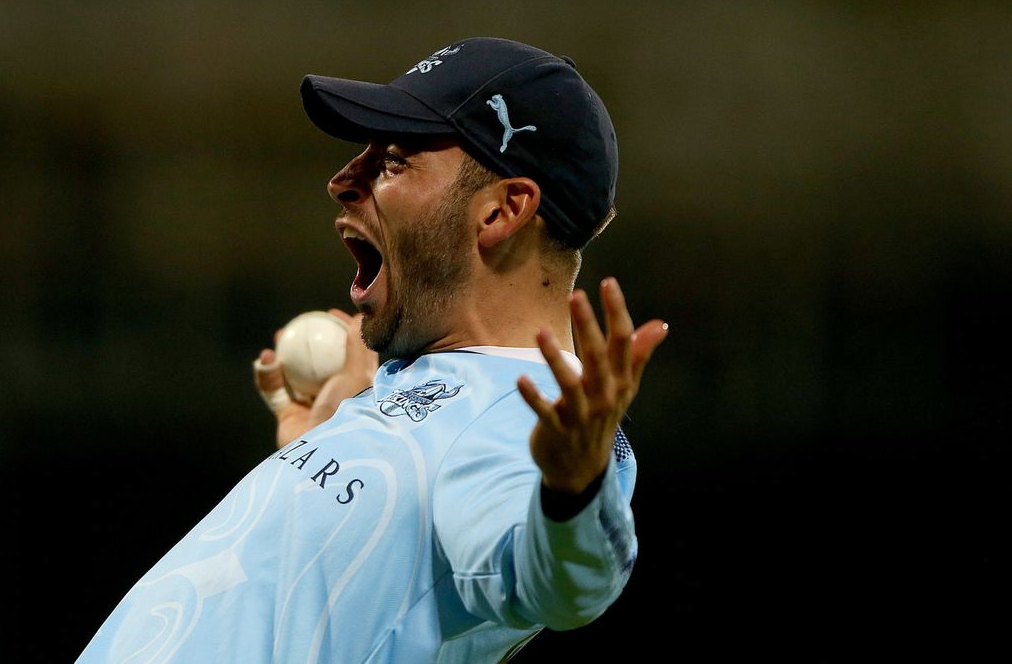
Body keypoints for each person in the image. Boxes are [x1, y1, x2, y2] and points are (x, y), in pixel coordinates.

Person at [78, 37, 669, 663]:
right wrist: (331, 443)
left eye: (392, 162)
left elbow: (557, 588)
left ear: (503, 210)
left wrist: (574, 494)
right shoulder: (420, 396)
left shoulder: (527, 413)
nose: (341, 182)